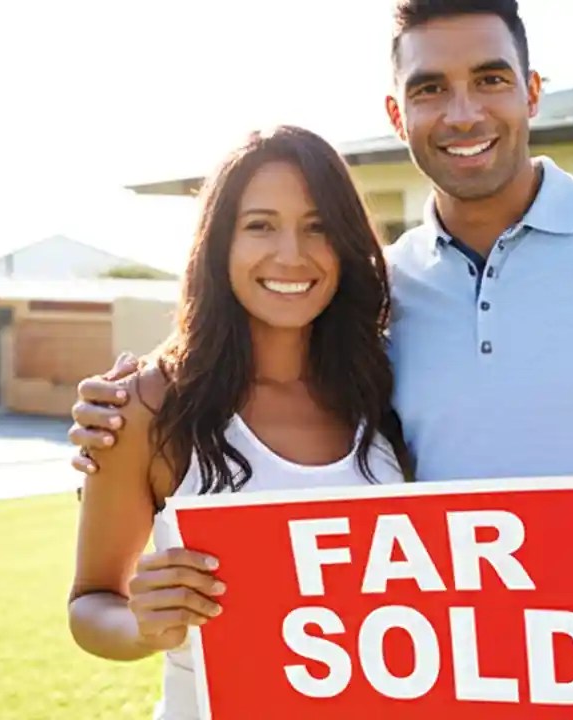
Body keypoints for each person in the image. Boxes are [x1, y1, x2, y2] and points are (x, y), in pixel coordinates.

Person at [69, 1, 573, 717]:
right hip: (443, 700)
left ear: (531, 91)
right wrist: (120, 424)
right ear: (398, 114)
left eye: (490, 79)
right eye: (431, 88)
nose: (463, 113)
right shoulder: (372, 300)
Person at [66, 125, 410, 720]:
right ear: (218, 243)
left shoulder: (381, 387)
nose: (291, 255)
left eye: (317, 227)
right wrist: (144, 627)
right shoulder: (148, 405)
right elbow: (90, 603)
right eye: (260, 225)